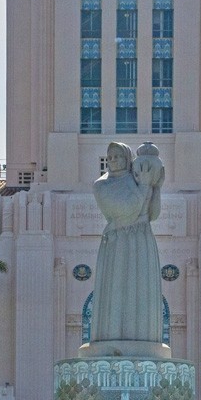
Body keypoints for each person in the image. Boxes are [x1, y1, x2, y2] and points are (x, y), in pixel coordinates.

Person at [88, 142, 165, 346]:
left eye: (117, 156)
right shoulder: (101, 185)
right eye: (110, 157)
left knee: (142, 288)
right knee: (117, 287)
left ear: (127, 158)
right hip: (118, 241)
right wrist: (146, 186)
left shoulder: (138, 178)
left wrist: (156, 187)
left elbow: (153, 214)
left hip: (142, 238)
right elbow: (127, 209)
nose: (113, 160)